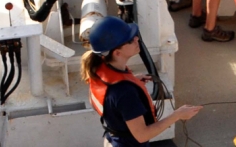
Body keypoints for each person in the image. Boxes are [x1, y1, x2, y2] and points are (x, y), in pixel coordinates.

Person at [83, 16, 201, 146]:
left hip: (113, 139)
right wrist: (177, 115)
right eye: (130, 40)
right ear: (117, 53)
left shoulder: (99, 68)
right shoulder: (125, 93)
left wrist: (133, 80)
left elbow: (108, 100)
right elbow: (142, 135)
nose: (137, 39)